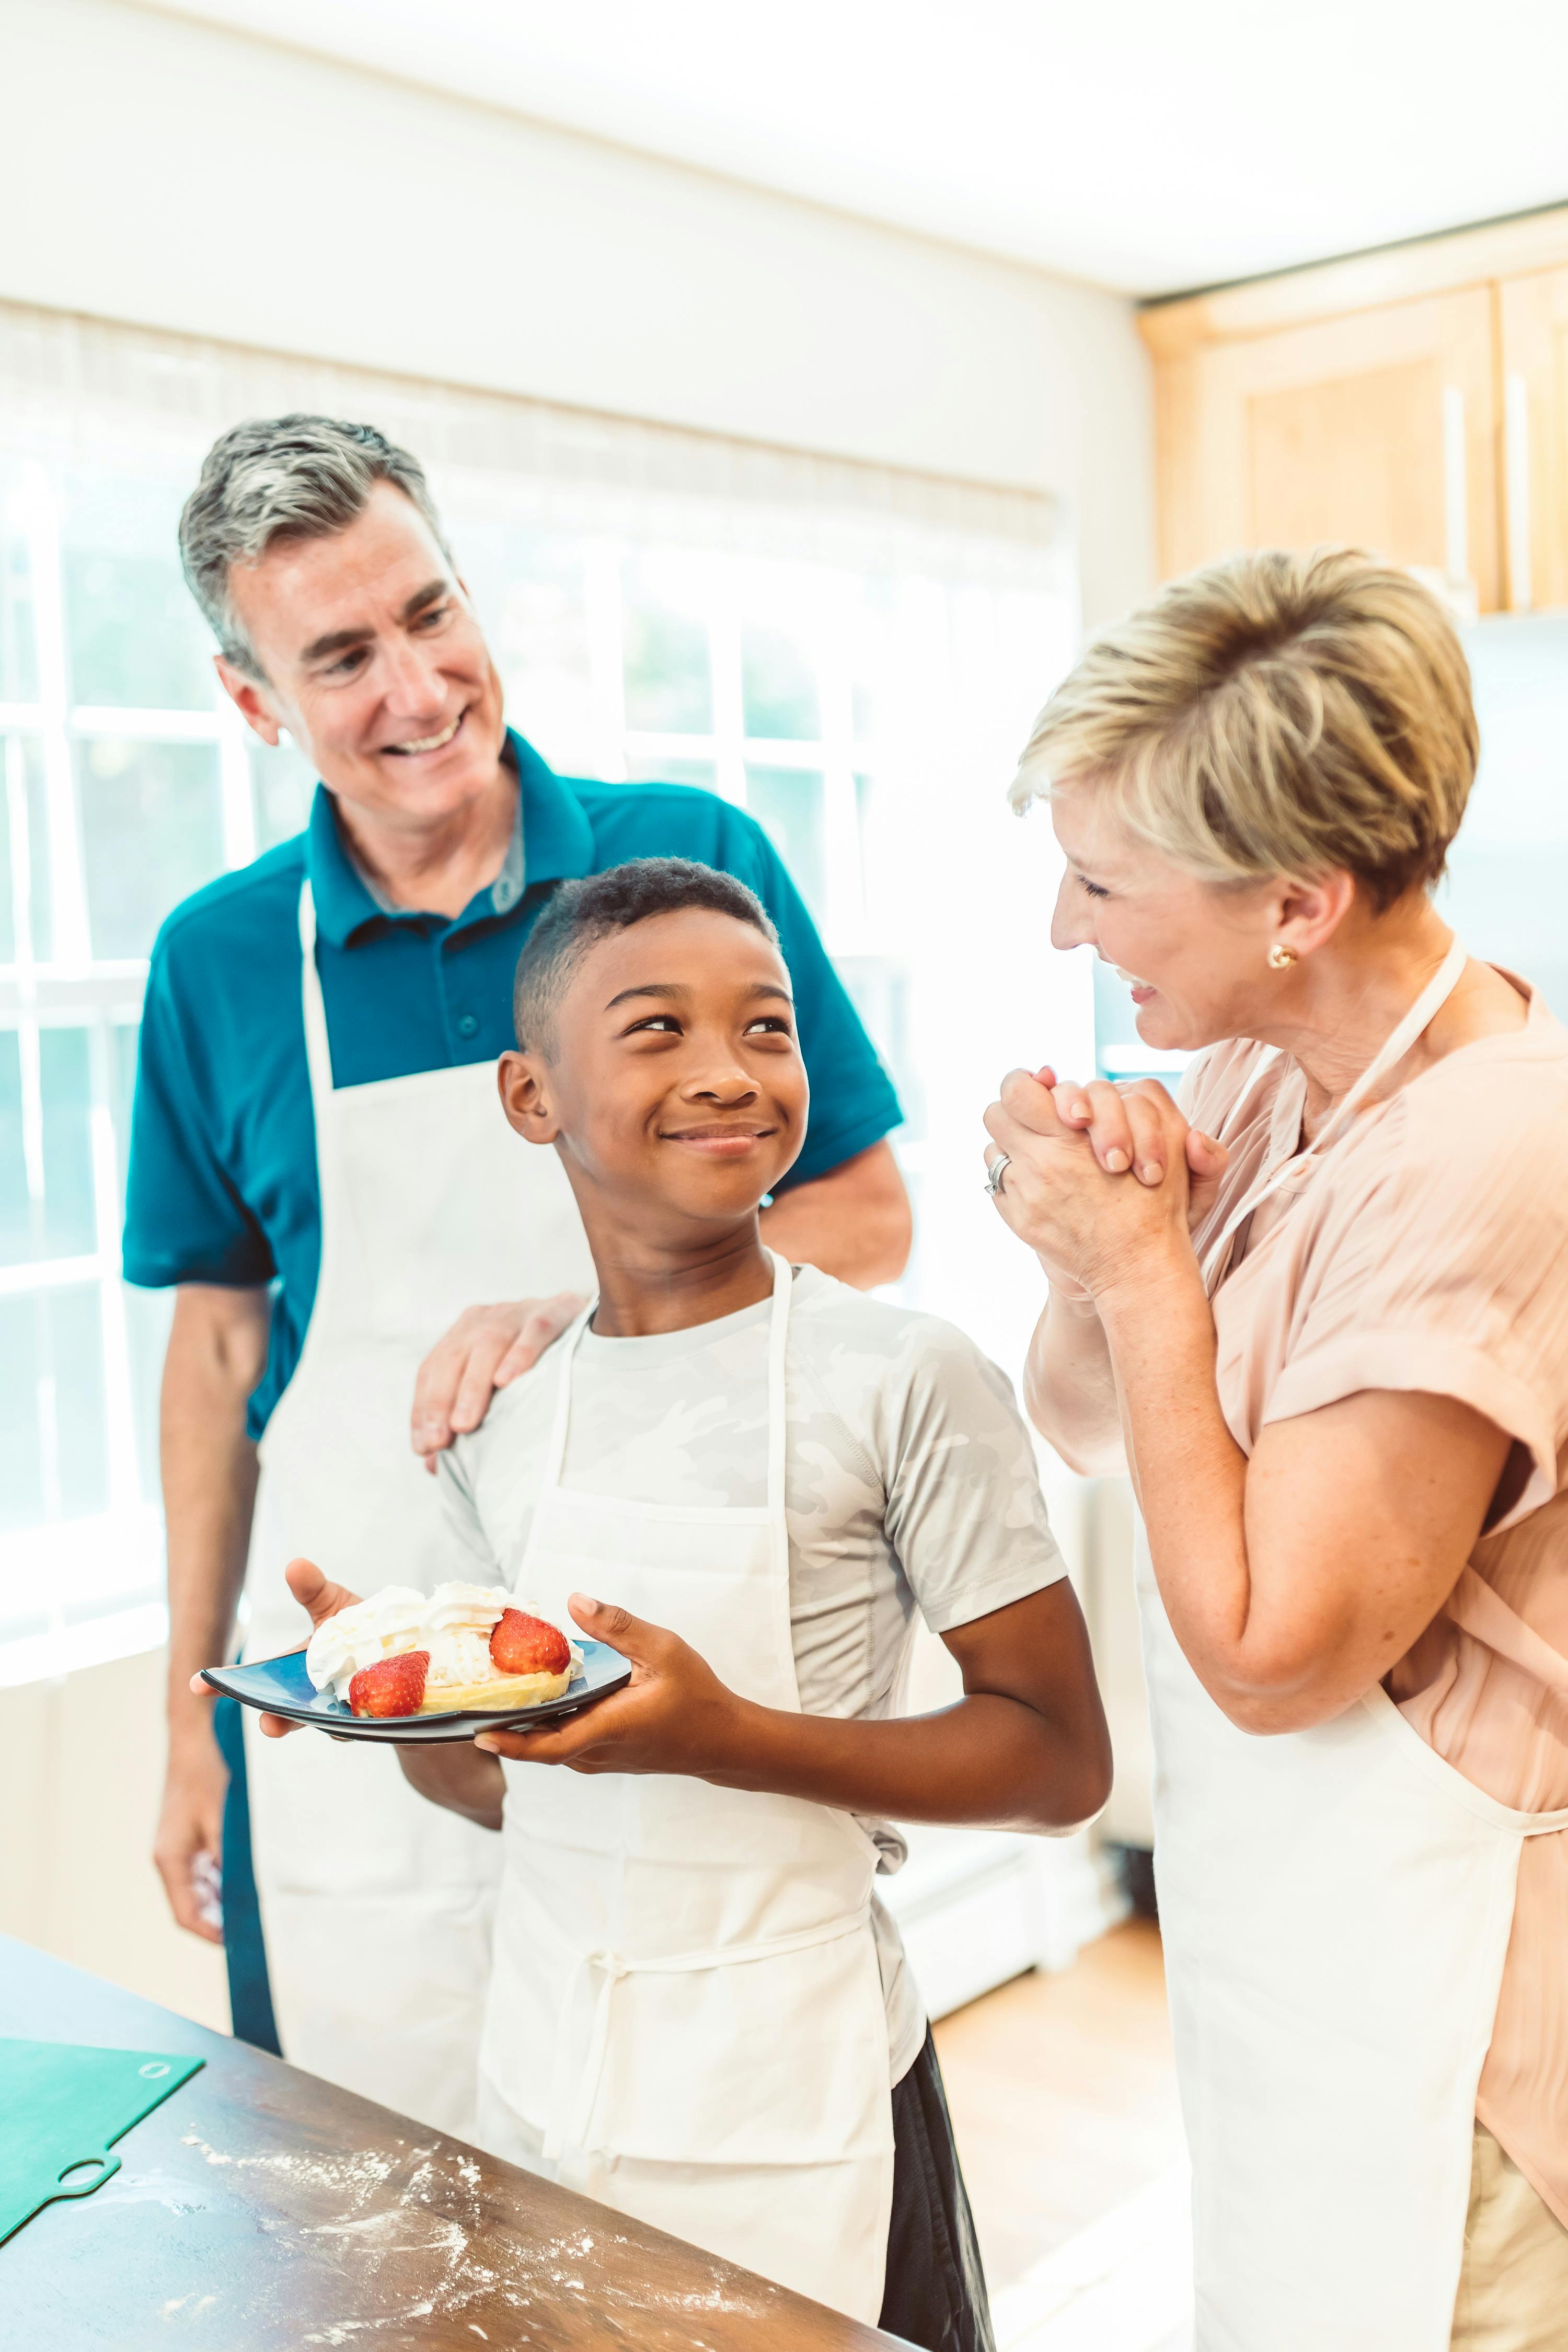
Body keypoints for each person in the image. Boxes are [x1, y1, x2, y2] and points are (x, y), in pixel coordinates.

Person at [129, 416, 910, 2136]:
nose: (416, 686)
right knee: (379, 2218)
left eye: (432, 612)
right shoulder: (219, 961)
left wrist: (595, 1311)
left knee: (716, 2199)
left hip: (673, 1672)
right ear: (256, 701)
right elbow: (215, 1356)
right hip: (361, 1715)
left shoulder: (680, 861)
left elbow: (867, 1215)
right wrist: (193, 1712)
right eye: (340, 656)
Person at [246, 856, 1111, 2342]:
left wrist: (717, 1732)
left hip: (803, 2091)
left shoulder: (902, 1375)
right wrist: (382, 1695)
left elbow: (1058, 1758)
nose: (731, 1071)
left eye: (766, 1027)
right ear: (532, 1096)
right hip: (554, 2079)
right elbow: (520, 1791)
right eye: (658, 1028)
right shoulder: (505, 1410)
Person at [982, 548, 1568, 2352]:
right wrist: (1098, 1249)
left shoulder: (1490, 1150)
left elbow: (1273, 1653)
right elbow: (1080, 1416)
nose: (1067, 933)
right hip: (1296, 1973)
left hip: (1459, 2019)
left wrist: (1143, 1265)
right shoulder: (1265, 1069)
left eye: (1102, 884)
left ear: (1299, 901)